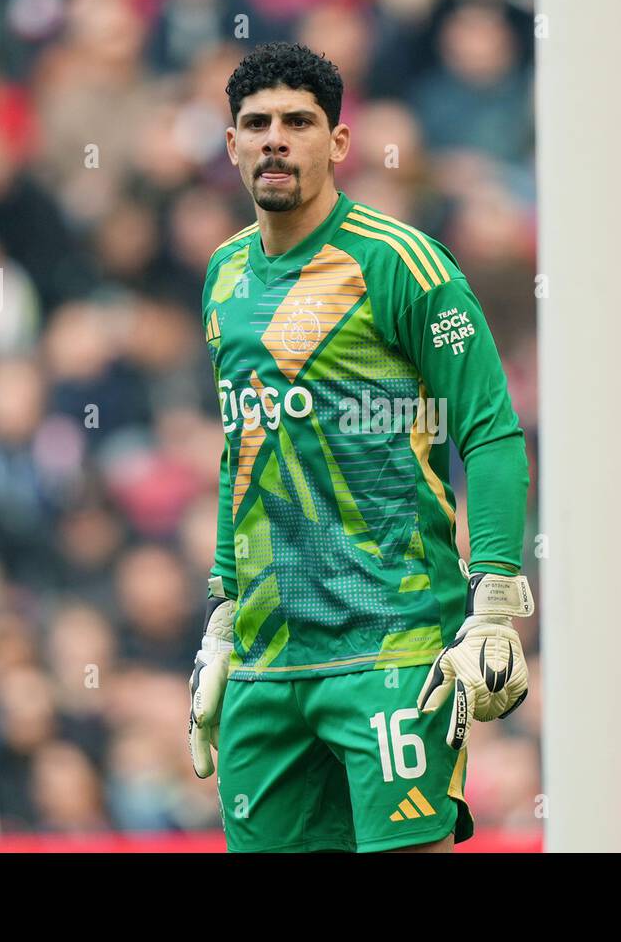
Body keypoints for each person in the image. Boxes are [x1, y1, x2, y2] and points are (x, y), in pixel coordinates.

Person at [186, 42, 533, 853]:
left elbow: (488, 428)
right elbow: (242, 451)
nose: (275, 138)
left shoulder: (403, 265)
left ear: (337, 143)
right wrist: (221, 618)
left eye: (298, 122)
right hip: (269, 663)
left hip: (394, 643)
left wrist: (495, 601)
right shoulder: (224, 278)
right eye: (256, 123)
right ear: (232, 144)